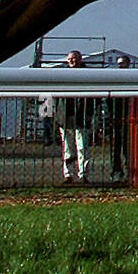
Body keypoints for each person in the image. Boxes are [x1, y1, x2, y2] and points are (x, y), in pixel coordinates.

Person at [57, 50, 94, 184]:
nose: (72, 61)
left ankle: (83, 174)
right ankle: (68, 174)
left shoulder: (88, 75)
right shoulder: (62, 75)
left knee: (82, 146)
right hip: (65, 116)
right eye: (70, 59)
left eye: (74, 58)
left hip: (81, 116)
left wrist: (90, 114)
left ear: (80, 59)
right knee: (67, 148)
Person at [108, 55, 131, 182]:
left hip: (130, 119)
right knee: (115, 148)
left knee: (128, 147)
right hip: (115, 119)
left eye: (123, 63)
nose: (120, 66)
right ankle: (116, 171)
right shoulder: (114, 79)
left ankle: (129, 171)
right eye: (119, 64)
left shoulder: (133, 79)